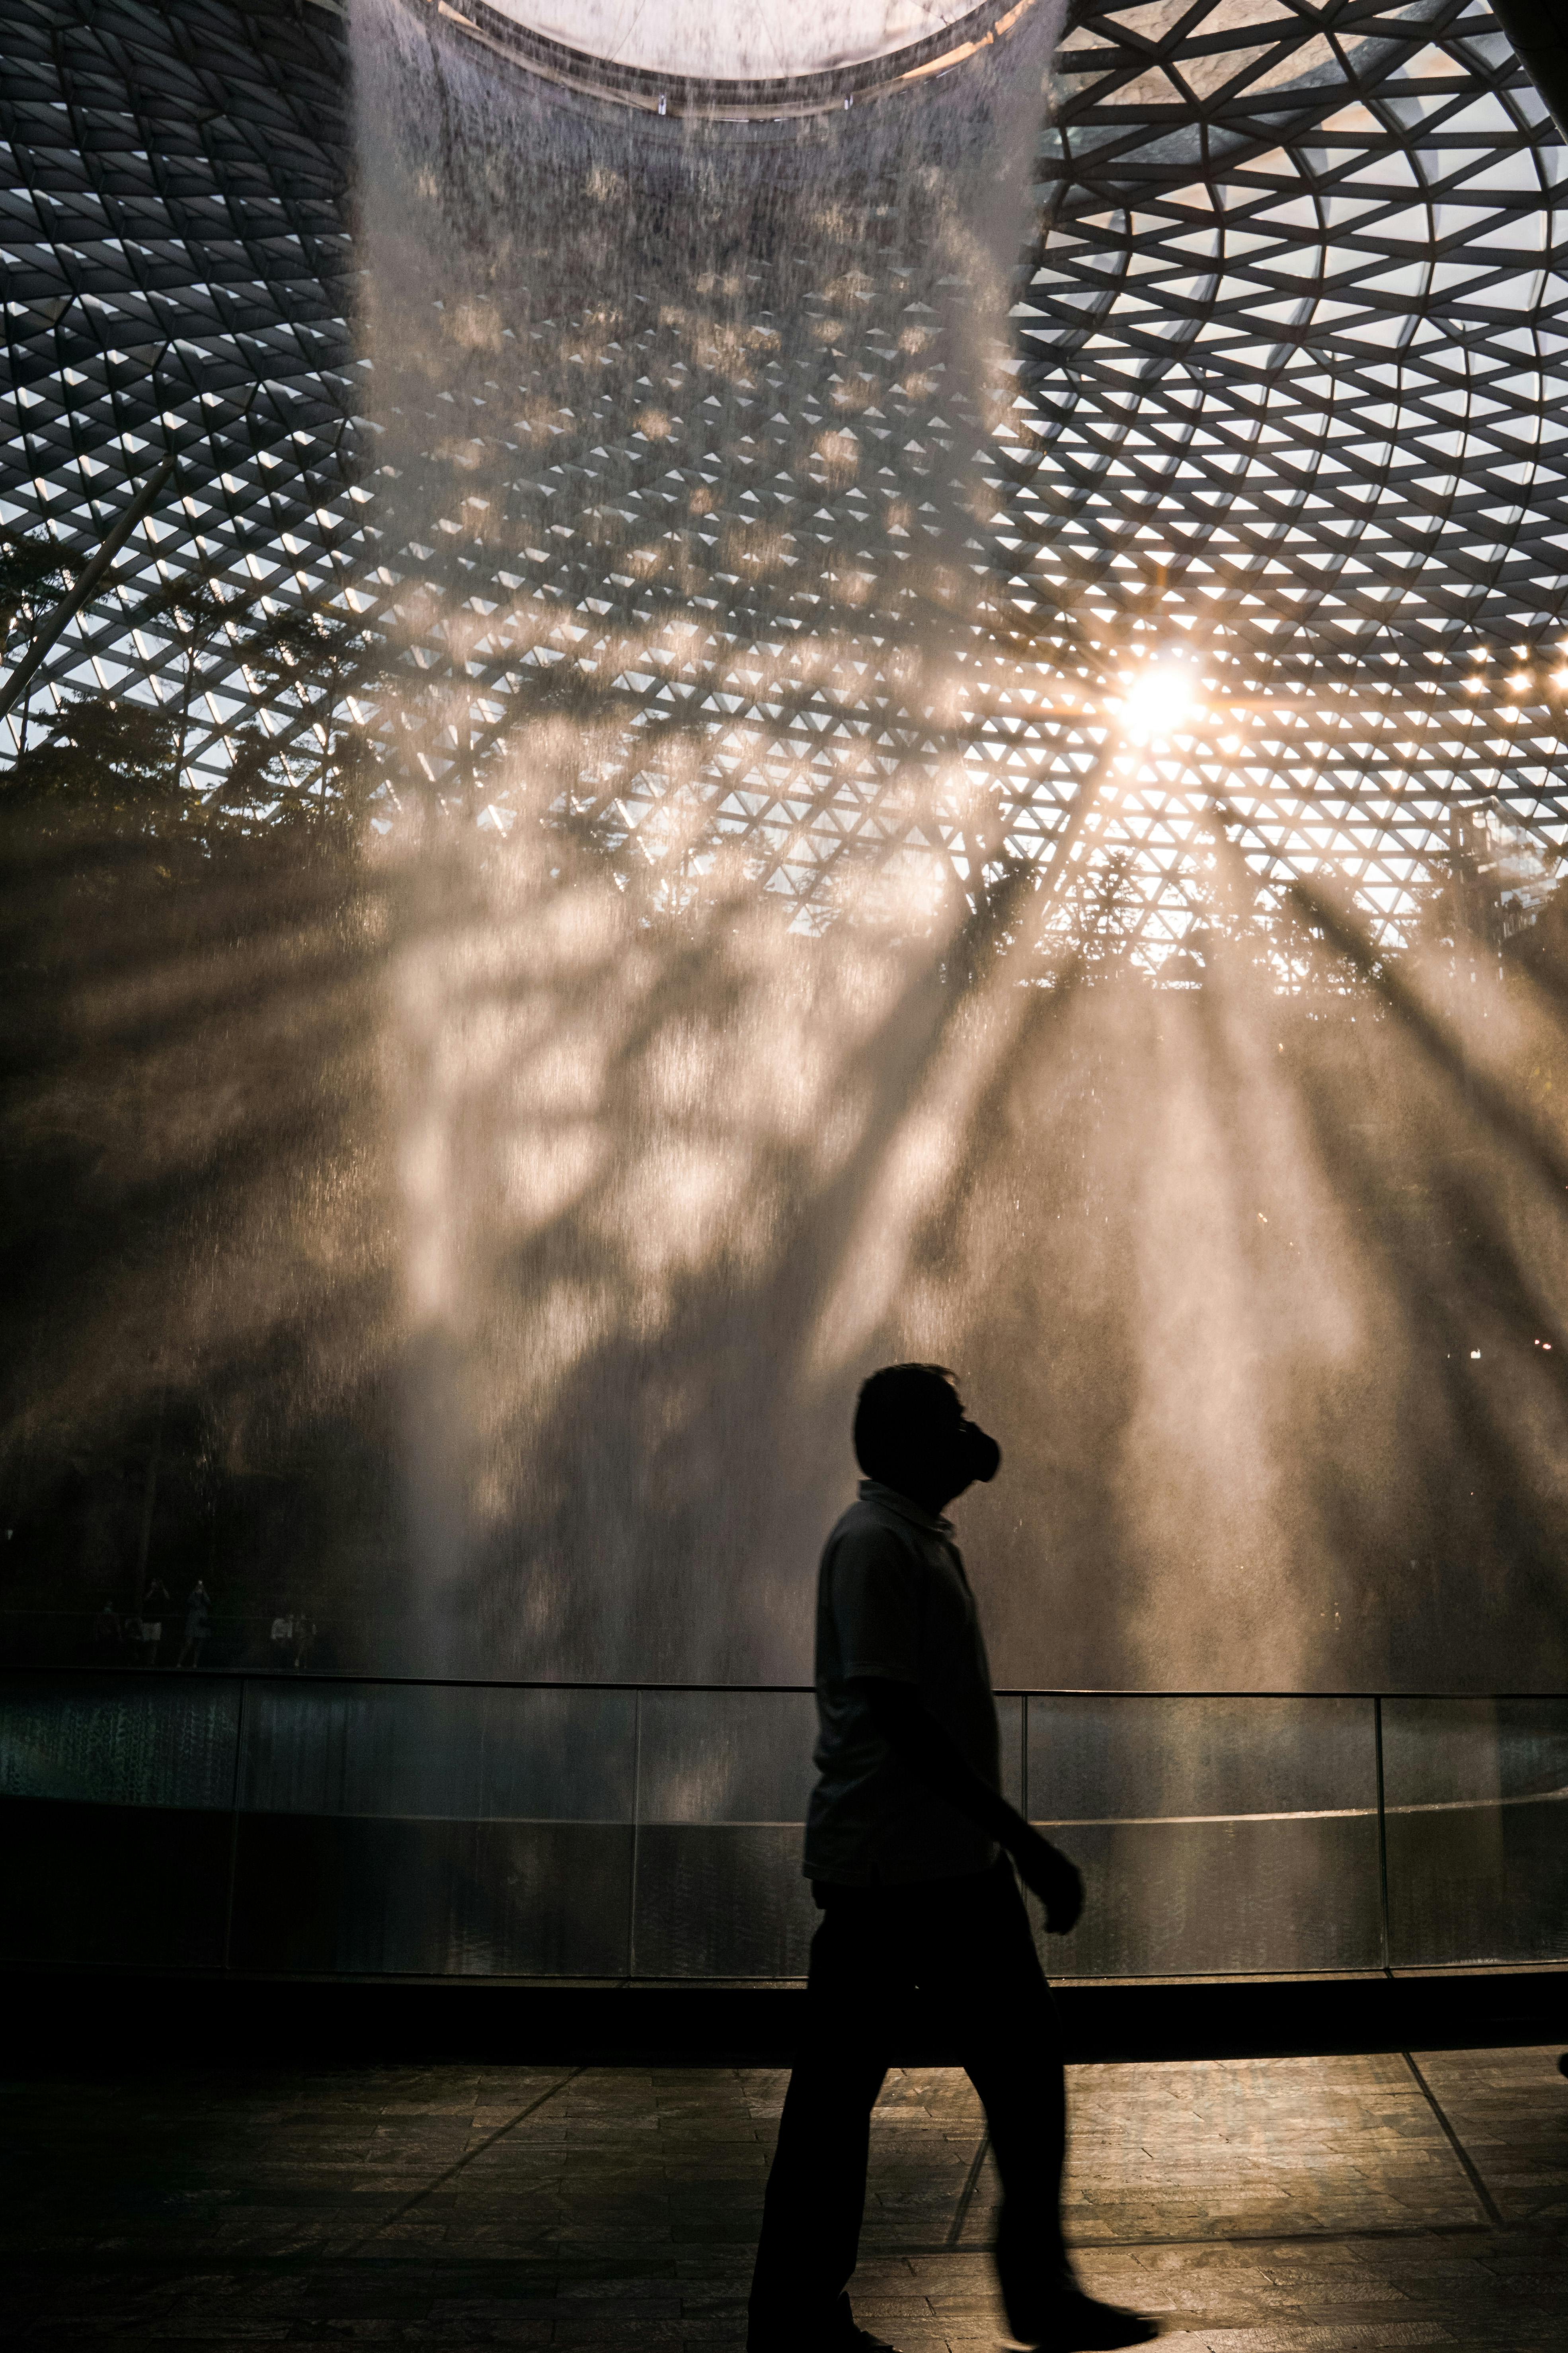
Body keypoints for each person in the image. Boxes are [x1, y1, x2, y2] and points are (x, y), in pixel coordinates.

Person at [747, 1364, 1156, 2353]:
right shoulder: (876, 1544)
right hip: (899, 1871)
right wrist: (1022, 1842)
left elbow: (904, 1715)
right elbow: (896, 1717)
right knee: (923, 2082)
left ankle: (810, 2316)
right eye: (946, 1423)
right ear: (898, 1447)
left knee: (892, 2088)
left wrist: (968, 1458)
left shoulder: (904, 1534)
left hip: (926, 1864)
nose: (966, 1435)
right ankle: (996, 2293)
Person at [177, 1580, 211, 1668]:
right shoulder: (193, 1596)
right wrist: (195, 1590)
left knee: (199, 1646)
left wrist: (204, 1591)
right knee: (188, 1644)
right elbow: (190, 1601)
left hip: (202, 1623)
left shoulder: (205, 1597)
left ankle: (195, 1664)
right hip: (192, 1623)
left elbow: (209, 1602)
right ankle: (179, 1663)